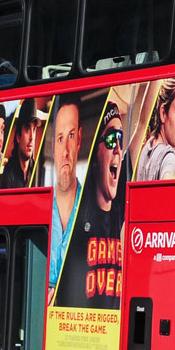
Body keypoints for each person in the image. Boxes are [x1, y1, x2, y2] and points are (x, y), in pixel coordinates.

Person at [56, 99, 127, 309]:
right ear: (95, 156)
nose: (119, 150)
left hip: (110, 331)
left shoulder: (118, 208)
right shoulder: (79, 208)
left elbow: (141, 124)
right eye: (112, 140)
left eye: (121, 139)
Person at [47, 98, 83, 294]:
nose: (66, 152)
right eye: (61, 139)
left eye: (70, 136)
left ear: (79, 139)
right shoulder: (40, 209)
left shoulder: (91, 206)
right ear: (53, 146)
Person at [137, 77, 175, 182]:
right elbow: (167, 177)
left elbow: (142, 121)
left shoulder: (146, 147)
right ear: (163, 113)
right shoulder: (169, 156)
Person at [0, 100, 44, 190]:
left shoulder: (37, 170)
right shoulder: (8, 173)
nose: (32, 137)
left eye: (34, 129)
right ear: (18, 136)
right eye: (27, 129)